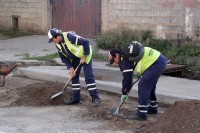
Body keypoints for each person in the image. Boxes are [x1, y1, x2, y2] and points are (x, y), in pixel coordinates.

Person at [109, 41, 167, 120]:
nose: (114, 63)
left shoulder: (124, 59)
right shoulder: (127, 53)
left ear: (116, 55)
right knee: (149, 85)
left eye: (114, 60)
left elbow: (127, 78)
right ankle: (153, 107)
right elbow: (138, 63)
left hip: (156, 63)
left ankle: (141, 114)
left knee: (143, 85)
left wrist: (124, 92)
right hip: (158, 60)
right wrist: (138, 73)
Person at [48, 28, 101, 107]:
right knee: (74, 76)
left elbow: (86, 42)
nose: (53, 41)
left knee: (88, 76)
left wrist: (84, 55)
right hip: (75, 58)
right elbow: (63, 58)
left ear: (57, 36)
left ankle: (96, 98)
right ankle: (76, 98)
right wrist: (70, 67)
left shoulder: (70, 37)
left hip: (85, 55)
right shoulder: (58, 45)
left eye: (52, 39)